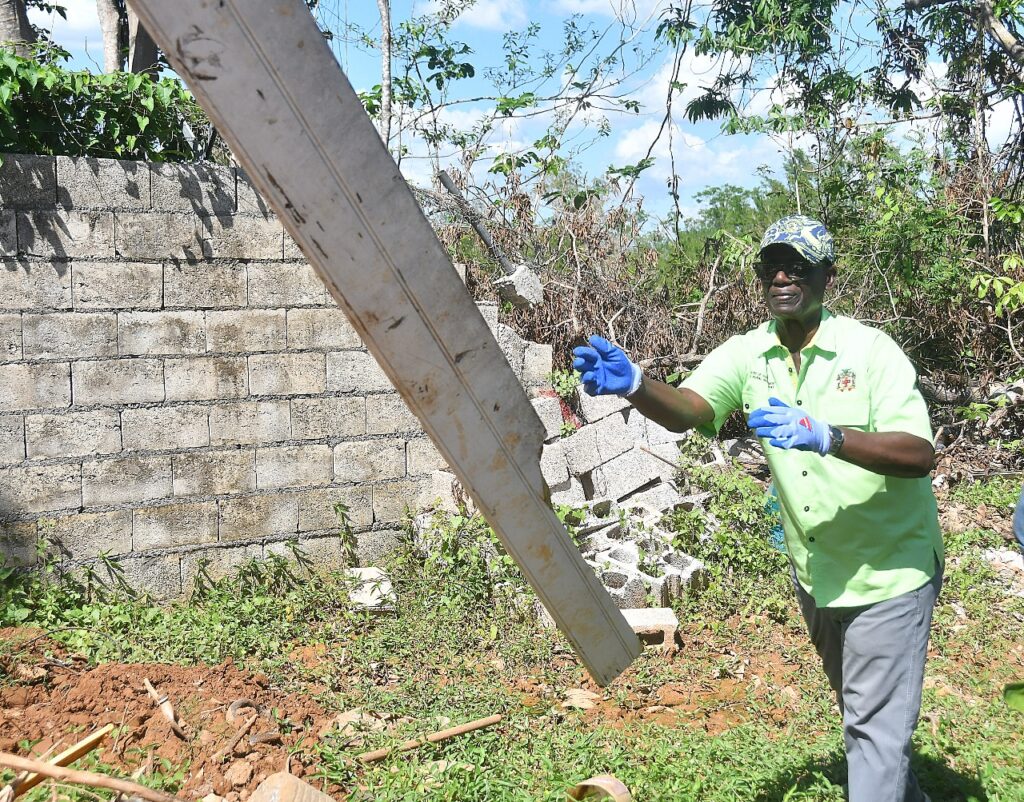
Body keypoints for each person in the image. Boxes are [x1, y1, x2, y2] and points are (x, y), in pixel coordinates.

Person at [573, 215, 943, 802]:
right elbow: (694, 410)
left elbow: (919, 454)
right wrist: (638, 383)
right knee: (868, 716)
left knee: (872, 729)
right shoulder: (751, 353)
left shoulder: (870, 351)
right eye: (771, 265)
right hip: (818, 570)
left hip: (890, 572)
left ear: (828, 275)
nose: (781, 275)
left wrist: (829, 436)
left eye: (797, 264)